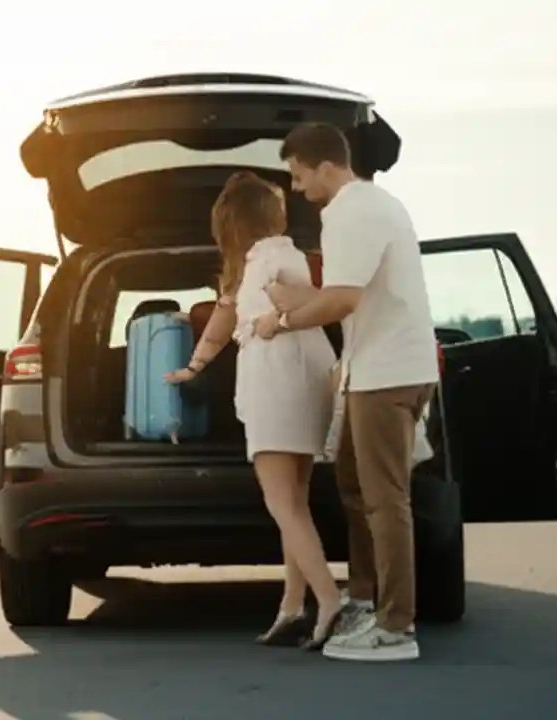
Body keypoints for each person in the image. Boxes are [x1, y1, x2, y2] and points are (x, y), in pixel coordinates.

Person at [255, 121, 439, 662]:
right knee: (356, 487)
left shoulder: (350, 213)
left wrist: (281, 320)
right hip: (376, 368)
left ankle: (396, 628)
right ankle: (364, 600)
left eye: (297, 174)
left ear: (326, 167)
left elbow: (342, 302)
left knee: (385, 500)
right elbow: (348, 294)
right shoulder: (375, 206)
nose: (294, 188)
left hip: (387, 374)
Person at [166, 170, 343, 649]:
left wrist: (270, 322)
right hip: (313, 369)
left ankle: (329, 600)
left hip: (277, 375)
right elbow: (225, 316)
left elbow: (253, 311)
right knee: (296, 500)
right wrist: (197, 363)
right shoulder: (283, 256)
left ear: (230, 224)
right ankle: (292, 606)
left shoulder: (263, 264)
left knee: (280, 501)